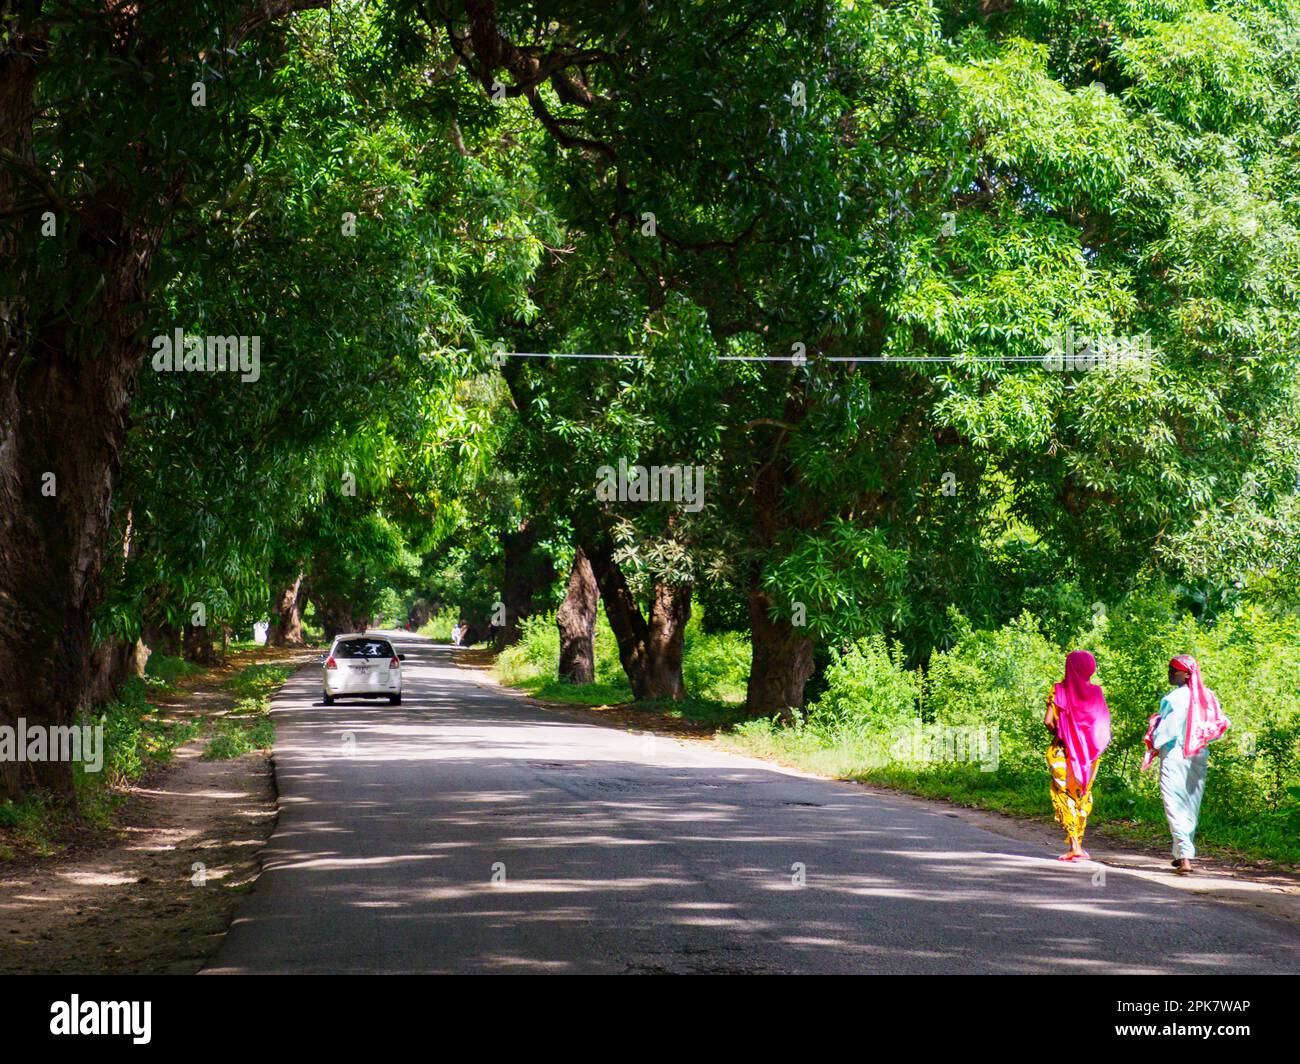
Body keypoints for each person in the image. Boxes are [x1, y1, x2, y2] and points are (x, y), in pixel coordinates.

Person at [1142, 655, 1229, 875]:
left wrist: (1153, 740)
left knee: (1173, 802)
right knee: (1191, 804)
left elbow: (1166, 731)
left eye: (1174, 670)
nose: (1170, 673)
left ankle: (1184, 856)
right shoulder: (1208, 697)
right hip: (1199, 755)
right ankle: (1183, 852)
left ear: (1187, 674)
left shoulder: (1175, 698)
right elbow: (1218, 726)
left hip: (1175, 754)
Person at [1044, 649, 1111, 861]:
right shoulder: (1097, 693)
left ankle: (1074, 844)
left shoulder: (1059, 691)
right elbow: (1102, 726)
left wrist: (1063, 732)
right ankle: (1078, 844)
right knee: (1082, 793)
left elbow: (1048, 721)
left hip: (1062, 751)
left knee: (1063, 793)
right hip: (1089, 756)